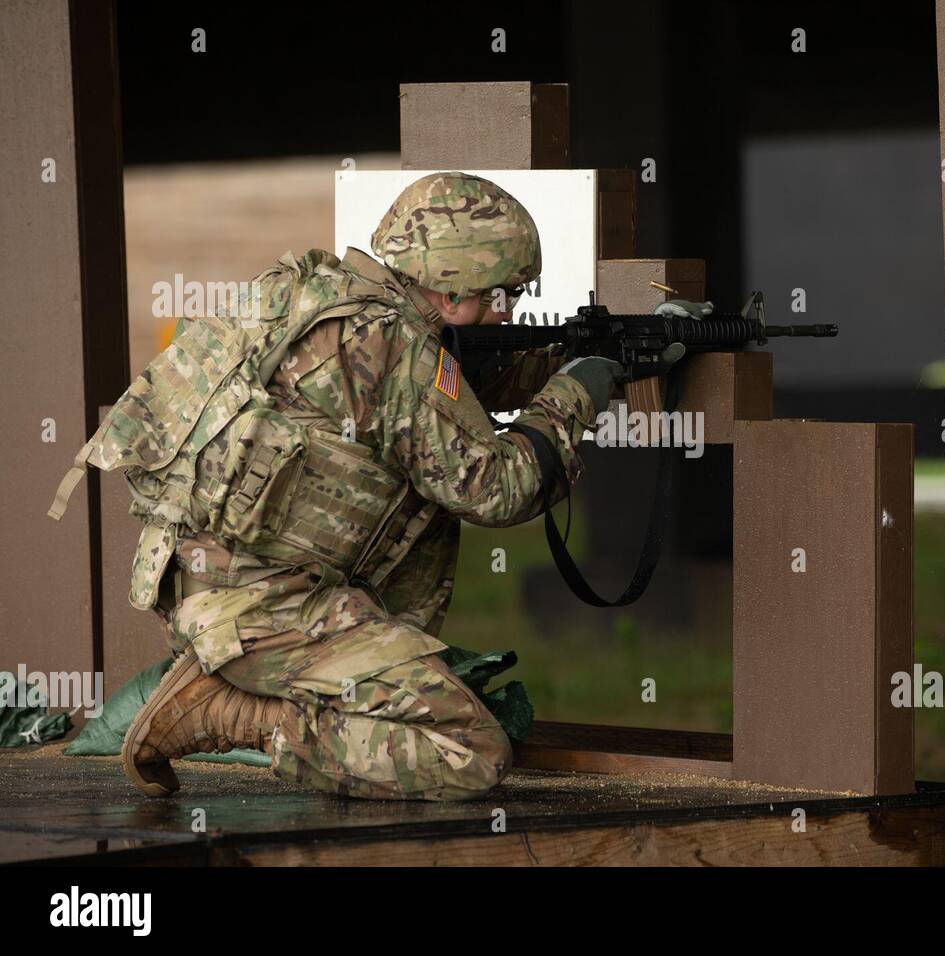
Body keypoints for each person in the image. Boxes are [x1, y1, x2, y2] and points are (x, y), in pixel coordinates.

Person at [49, 172, 624, 801]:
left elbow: (443, 398)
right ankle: (233, 714)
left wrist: (577, 354)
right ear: (448, 282)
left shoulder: (321, 299)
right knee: (471, 750)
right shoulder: (398, 348)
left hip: (211, 590)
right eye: (499, 292)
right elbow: (496, 488)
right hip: (270, 616)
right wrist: (575, 394)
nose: (508, 309)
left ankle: (233, 684)